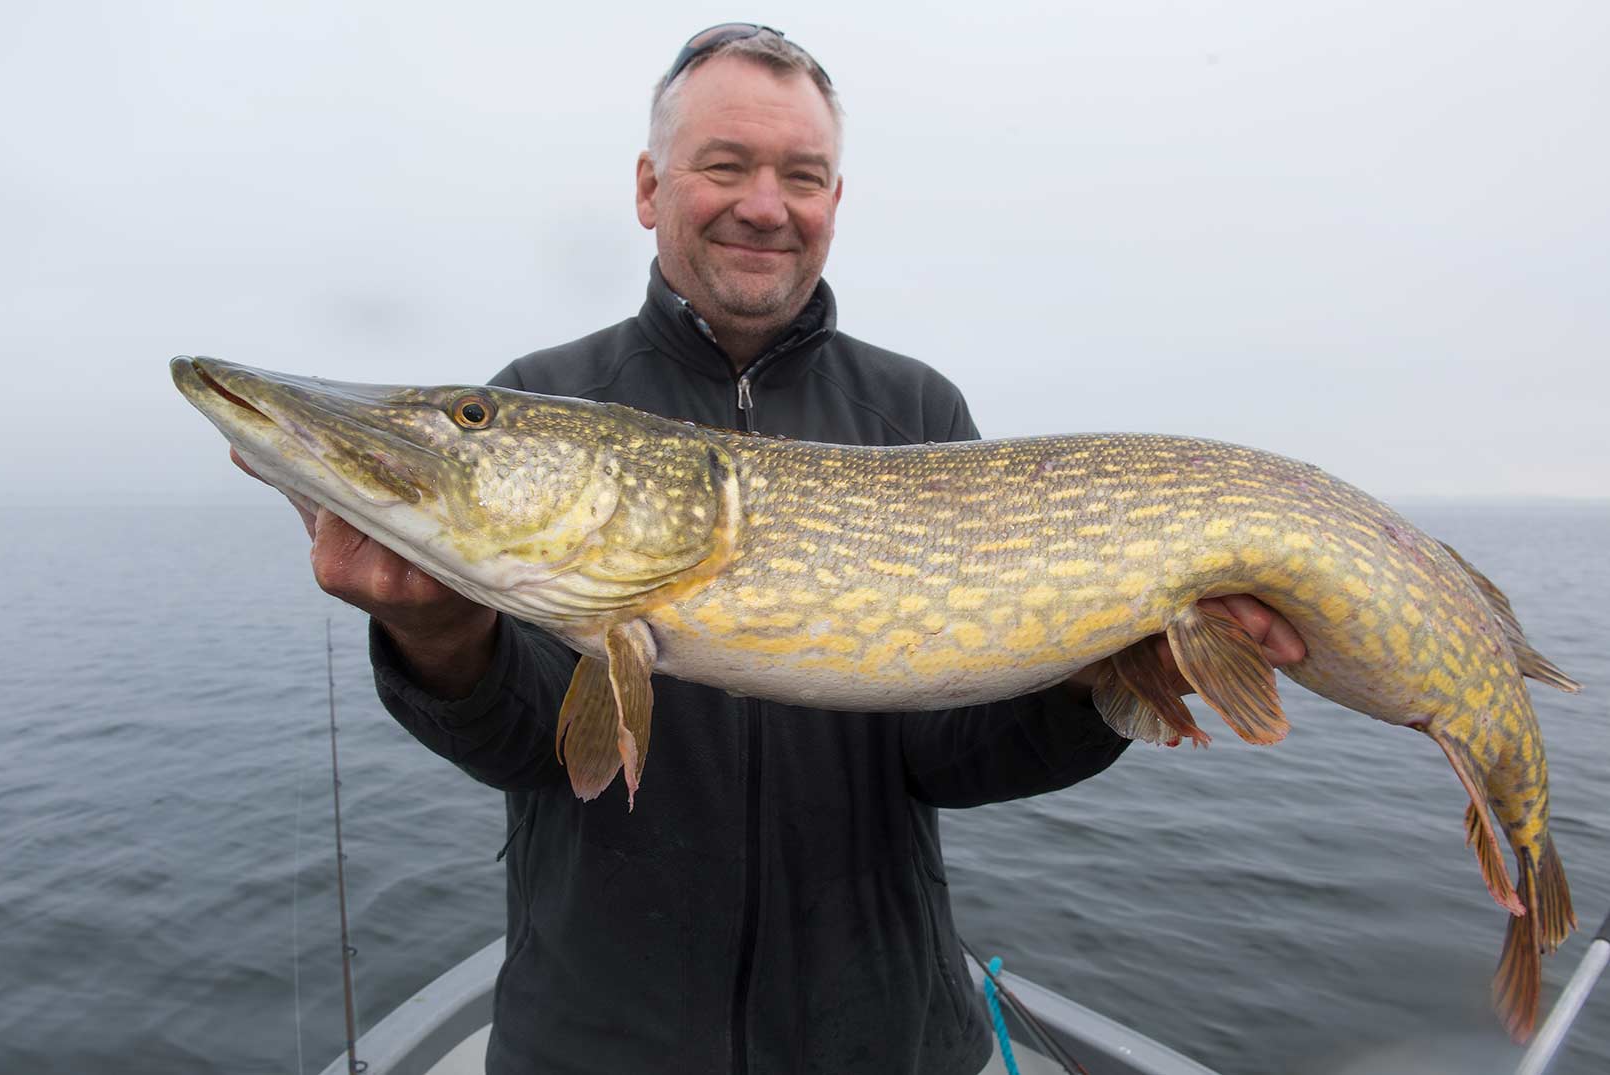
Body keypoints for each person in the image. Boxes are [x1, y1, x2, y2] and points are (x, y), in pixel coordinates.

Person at [239, 25, 1305, 1075]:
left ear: (833, 204)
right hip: (594, 1046)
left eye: (802, 174)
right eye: (726, 166)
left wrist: (1096, 687)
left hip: (880, 1042)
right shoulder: (551, 395)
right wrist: (438, 637)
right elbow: (531, 750)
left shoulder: (915, 411)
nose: (765, 203)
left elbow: (953, 753)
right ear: (651, 190)